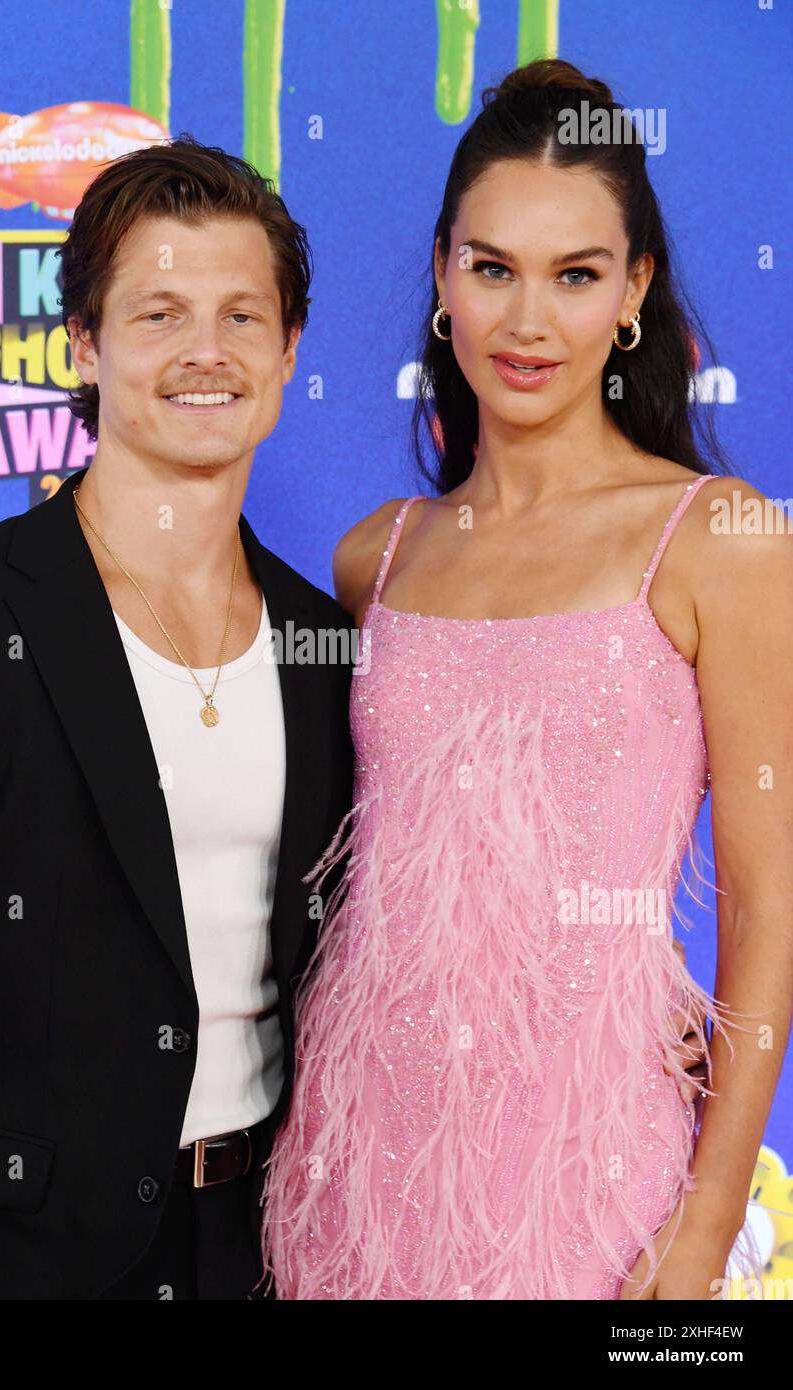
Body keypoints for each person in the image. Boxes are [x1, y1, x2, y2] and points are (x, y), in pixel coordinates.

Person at [260, 60, 793, 1300]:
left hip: (593, 1182)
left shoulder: (719, 540)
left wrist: (709, 1217)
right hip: (350, 1163)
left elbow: (768, 912)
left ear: (635, 291)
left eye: (576, 274)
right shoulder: (374, 556)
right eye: (492, 267)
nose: (527, 320)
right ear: (443, 275)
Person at [0, 136, 354, 1299]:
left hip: (269, 1253)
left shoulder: (329, 645)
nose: (205, 353)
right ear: (83, 343)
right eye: (159, 312)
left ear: (287, 351)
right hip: (9, 1271)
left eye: (240, 315)